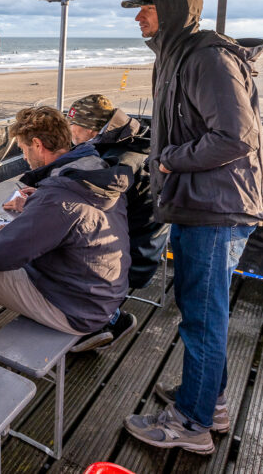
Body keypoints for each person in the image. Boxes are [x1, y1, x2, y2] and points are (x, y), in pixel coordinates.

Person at [120, 0, 263, 454]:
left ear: (169, 10)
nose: (138, 18)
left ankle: (190, 424)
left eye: (144, 8)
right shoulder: (178, 54)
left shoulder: (206, 58)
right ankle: (208, 402)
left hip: (218, 206)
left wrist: (170, 159)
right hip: (207, 202)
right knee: (202, 313)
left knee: (202, 318)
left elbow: (235, 137)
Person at [0, 106, 132, 344]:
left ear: (38, 145)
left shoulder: (58, 196)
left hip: (75, 308)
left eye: (24, 150)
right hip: (99, 295)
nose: (25, 158)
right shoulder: (92, 171)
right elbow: (71, 223)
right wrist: (34, 204)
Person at [64, 94, 168, 351]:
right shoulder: (131, 137)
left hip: (133, 247)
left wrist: (55, 184)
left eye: (72, 125)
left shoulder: (122, 158)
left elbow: (99, 197)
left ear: (89, 128)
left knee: (64, 248)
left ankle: (104, 321)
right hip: (147, 234)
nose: (70, 130)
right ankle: (109, 318)